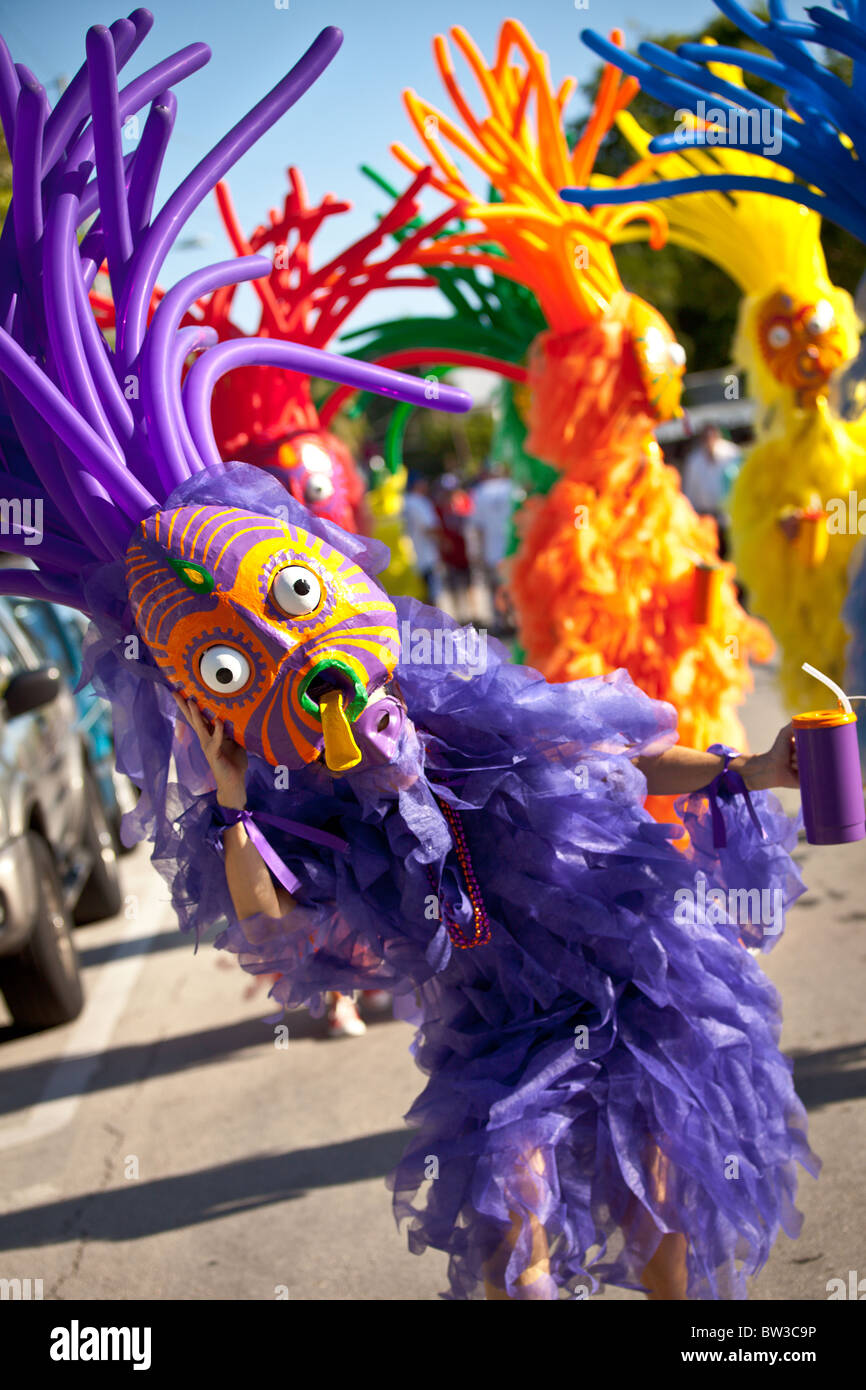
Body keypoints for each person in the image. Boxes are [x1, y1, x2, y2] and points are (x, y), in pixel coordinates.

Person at [681, 425, 742, 555]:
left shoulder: (732, 454)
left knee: (730, 552)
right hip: (705, 516)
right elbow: (690, 490)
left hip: (727, 516)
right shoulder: (695, 460)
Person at [471, 464, 516, 628]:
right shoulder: (512, 487)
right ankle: (517, 620)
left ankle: (502, 621)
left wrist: (480, 551)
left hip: (492, 549)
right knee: (515, 587)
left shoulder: (480, 492)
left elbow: (479, 527)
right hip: (513, 547)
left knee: (496, 588)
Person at [401, 474, 442, 603]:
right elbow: (429, 528)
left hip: (406, 559)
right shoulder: (419, 502)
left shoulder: (401, 501)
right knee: (430, 599)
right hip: (424, 557)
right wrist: (442, 542)